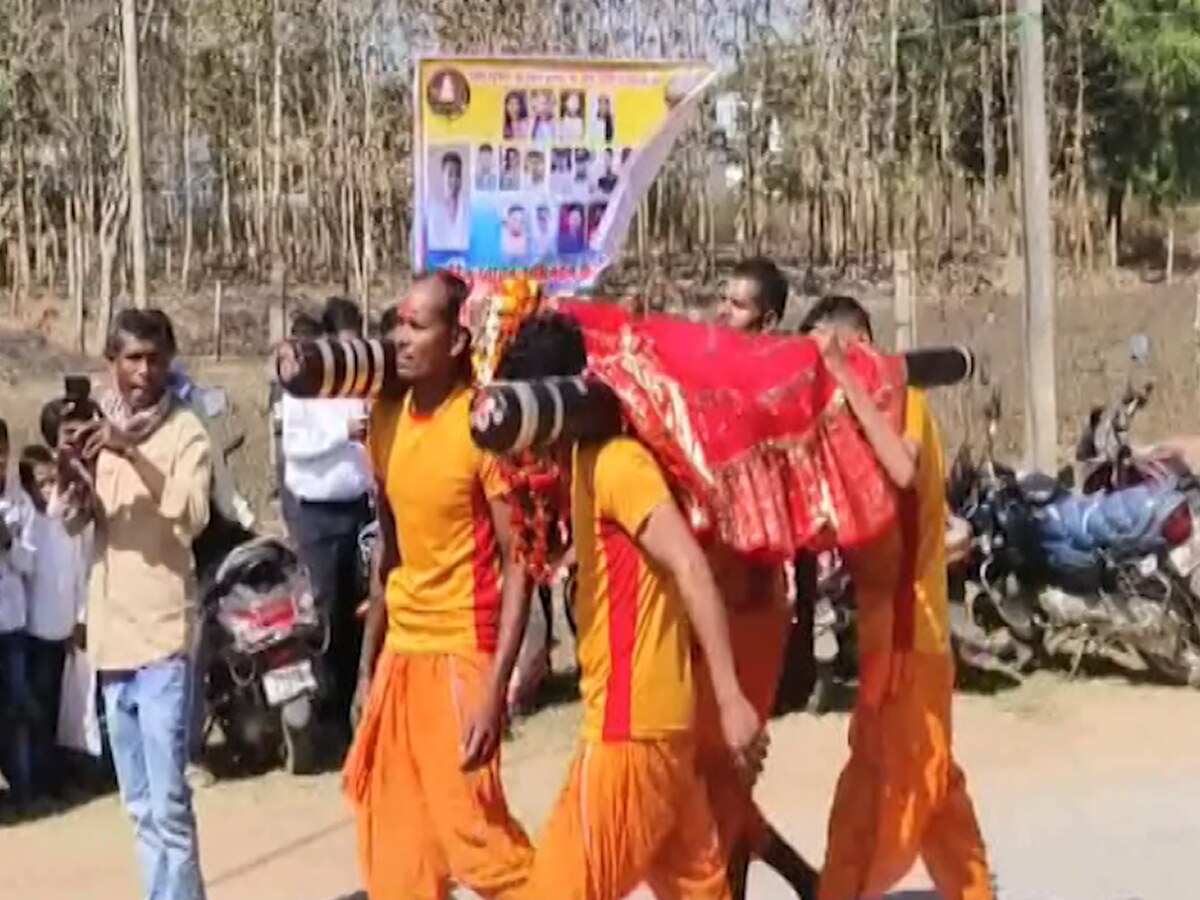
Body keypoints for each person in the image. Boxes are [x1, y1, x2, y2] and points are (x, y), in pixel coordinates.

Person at [499, 311, 766, 900]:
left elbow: (691, 566)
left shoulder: (617, 464)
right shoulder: (580, 467)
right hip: (655, 731)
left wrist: (730, 699)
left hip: (629, 732)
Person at [343, 270, 533, 899]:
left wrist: (494, 688)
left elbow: (519, 561)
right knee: (397, 845)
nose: (400, 337)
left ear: (456, 340)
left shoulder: (483, 426)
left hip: (461, 654)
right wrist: (369, 668)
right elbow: (387, 556)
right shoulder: (385, 419)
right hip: (402, 656)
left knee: (477, 841)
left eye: (417, 326)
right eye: (398, 322)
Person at [798, 295, 993, 900]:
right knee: (924, 795)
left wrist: (845, 380)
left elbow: (903, 469)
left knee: (900, 800)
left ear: (853, 346)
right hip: (894, 647)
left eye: (824, 351)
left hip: (915, 641)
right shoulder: (860, 412)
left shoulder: (901, 396)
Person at [60, 308, 211, 900]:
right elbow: (76, 525)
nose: (143, 371)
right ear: (112, 364)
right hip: (112, 641)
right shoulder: (96, 429)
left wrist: (131, 453)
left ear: (169, 362)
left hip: (163, 642)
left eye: (154, 358)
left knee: (170, 805)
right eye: (131, 358)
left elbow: (193, 513)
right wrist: (74, 476)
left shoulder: (186, 433)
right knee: (140, 807)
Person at [703, 258, 820, 900]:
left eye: (737, 305)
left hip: (756, 607)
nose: (723, 313)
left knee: (727, 772)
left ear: (768, 320)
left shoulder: (779, 399)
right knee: (712, 773)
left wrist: (801, 629)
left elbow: (799, 521)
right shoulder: (711, 385)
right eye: (721, 300)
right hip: (712, 598)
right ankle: (803, 879)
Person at [281, 297, 373, 743]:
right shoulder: (301, 388)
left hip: (360, 510)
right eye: (343, 348)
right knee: (325, 614)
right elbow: (297, 449)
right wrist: (344, 434)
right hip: (316, 516)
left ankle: (359, 706)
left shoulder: (361, 382)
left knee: (362, 610)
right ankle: (326, 718)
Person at [0, 419, 36, 810]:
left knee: (17, 708)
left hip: (11, 622)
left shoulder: (20, 502)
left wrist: (9, 543)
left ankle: (25, 790)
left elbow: (29, 564)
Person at [427, 151, 469, 251]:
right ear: (442, 175)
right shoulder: (430, 208)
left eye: (458, 175)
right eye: (450, 174)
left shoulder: (469, 207)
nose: (454, 180)